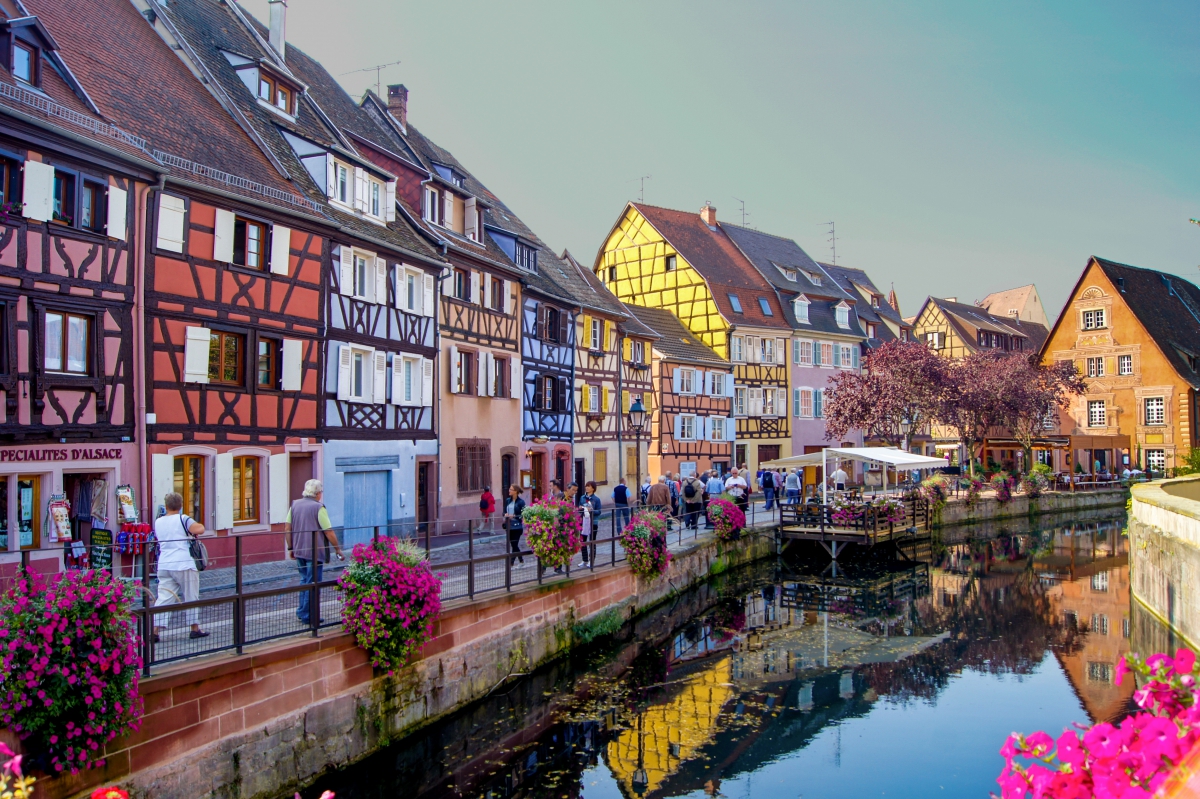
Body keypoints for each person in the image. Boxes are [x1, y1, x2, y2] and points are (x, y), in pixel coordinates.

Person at [285, 479, 344, 626]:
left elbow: (287, 528)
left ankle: (302, 611)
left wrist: (291, 547)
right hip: (314, 552)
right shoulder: (319, 507)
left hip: (299, 550)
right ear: (317, 493)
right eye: (321, 492)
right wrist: (337, 549)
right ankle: (309, 616)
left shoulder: (295, 505)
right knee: (313, 583)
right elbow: (328, 531)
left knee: (304, 580)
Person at [152, 491, 209, 641]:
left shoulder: (158, 522)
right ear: (181, 505)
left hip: (164, 563)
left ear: (166, 506)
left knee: (164, 597)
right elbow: (199, 529)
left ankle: (155, 630)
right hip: (184, 563)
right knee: (191, 596)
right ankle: (194, 628)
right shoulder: (183, 519)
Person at [503, 484, 527, 565]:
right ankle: (521, 560)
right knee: (513, 544)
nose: (509, 491)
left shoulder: (521, 502)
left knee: (514, 544)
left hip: (517, 526)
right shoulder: (507, 500)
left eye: (511, 489)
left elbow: (524, 514)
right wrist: (505, 514)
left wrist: (514, 516)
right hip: (509, 525)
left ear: (516, 491)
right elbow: (504, 511)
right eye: (509, 489)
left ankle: (511, 562)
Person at [579, 481, 601, 565]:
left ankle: (591, 560)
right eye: (586, 486)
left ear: (593, 488)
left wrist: (591, 510)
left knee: (592, 541)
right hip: (584, 522)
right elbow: (579, 508)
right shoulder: (582, 498)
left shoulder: (596, 499)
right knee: (583, 541)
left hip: (593, 522)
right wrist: (581, 508)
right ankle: (584, 559)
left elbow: (599, 511)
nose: (587, 488)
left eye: (588, 486)